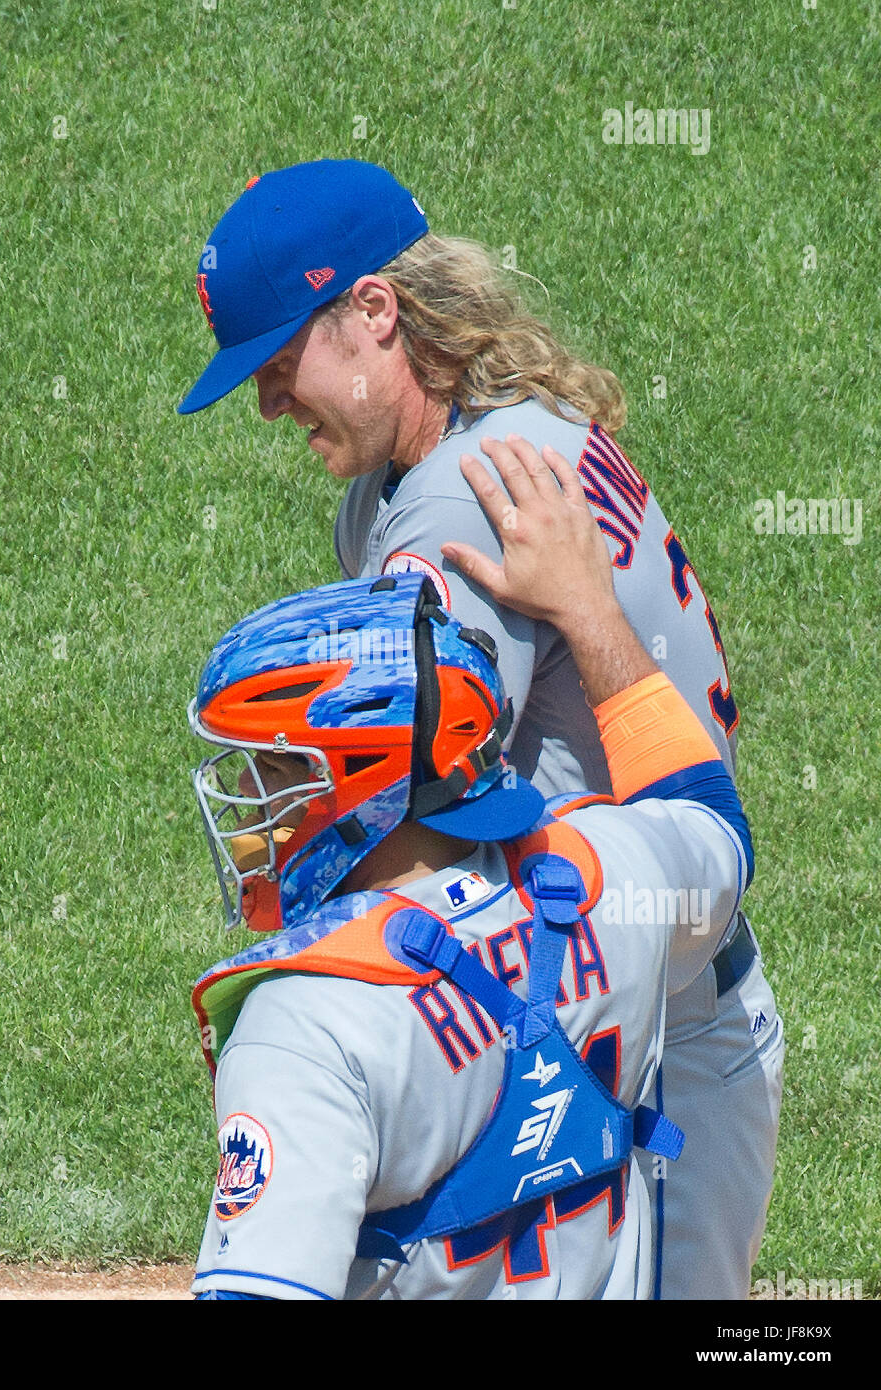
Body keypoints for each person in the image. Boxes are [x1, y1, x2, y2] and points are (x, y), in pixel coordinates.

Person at [176, 159, 783, 1299]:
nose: (263, 400)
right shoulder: (497, 427)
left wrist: (299, 997)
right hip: (620, 946)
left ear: (373, 313)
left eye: (273, 361)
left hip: (633, 1031)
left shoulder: (459, 498)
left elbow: (391, 774)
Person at [188, 446, 751, 1300]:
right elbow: (711, 819)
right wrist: (590, 609)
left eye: (270, 772)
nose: (246, 810)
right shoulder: (612, 878)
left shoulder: (304, 1028)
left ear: (357, 786)